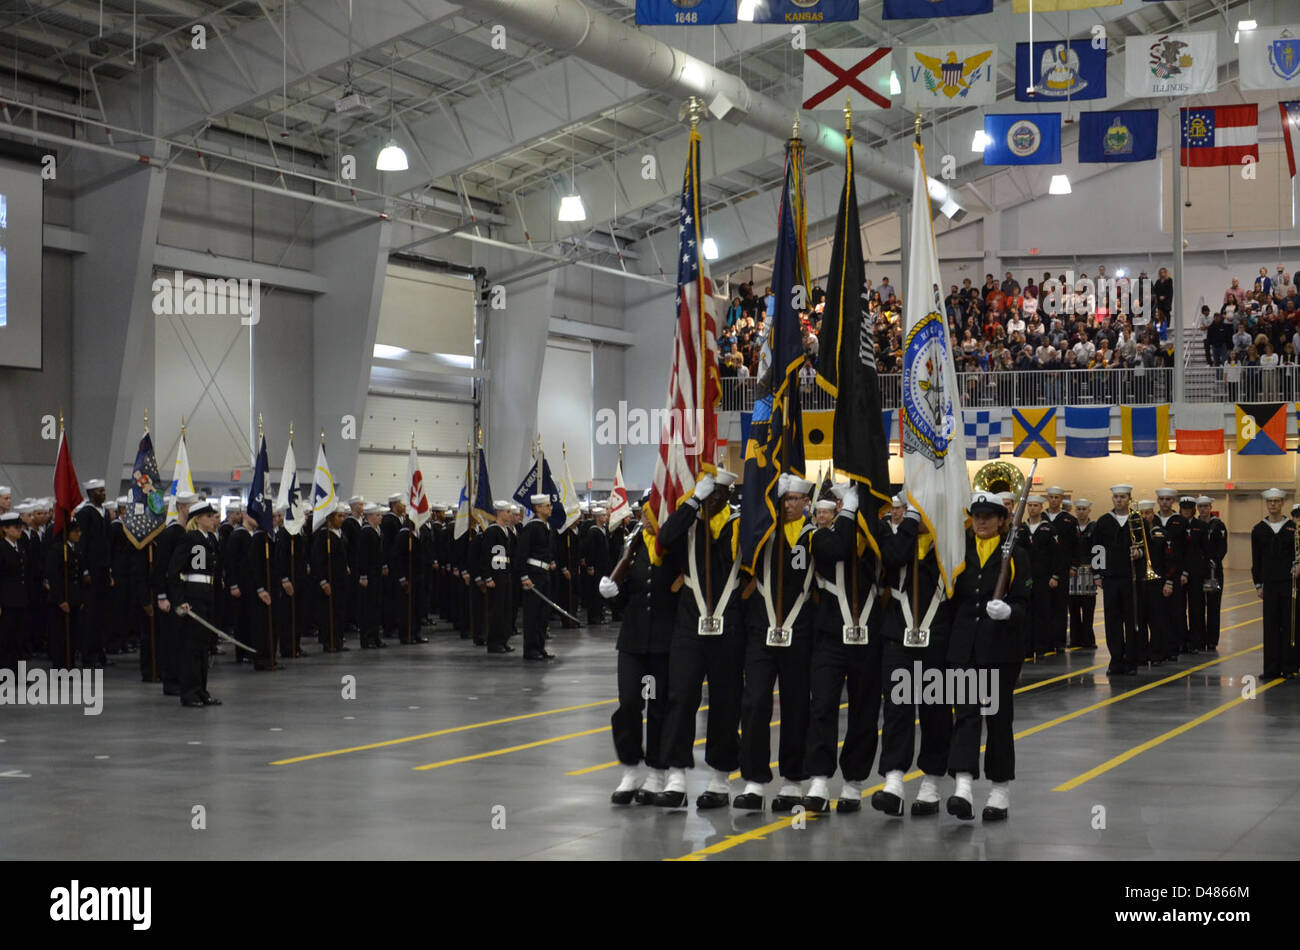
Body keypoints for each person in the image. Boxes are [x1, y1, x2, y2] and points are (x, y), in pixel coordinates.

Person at [651, 469, 745, 809]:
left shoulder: (738, 523)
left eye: (719, 492)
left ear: (728, 493)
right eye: (709, 491)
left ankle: (720, 778)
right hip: (690, 622)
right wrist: (692, 501)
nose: (713, 498)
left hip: (729, 625)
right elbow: (664, 535)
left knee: (726, 702)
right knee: (681, 697)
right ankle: (677, 775)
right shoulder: (689, 522)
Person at [937, 490, 1029, 821]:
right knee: (965, 715)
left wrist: (1009, 611)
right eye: (976, 516)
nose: (981, 522)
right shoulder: (959, 550)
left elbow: (1026, 602)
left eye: (988, 517)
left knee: (998, 719)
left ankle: (999, 791)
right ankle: (962, 786)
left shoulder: (1016, 553)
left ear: (1003, 521)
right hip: (964, 648)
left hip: (1000, 651)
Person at [733, 475, 816, 813]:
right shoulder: (763, 533)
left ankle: (793, 780)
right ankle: (753, 780)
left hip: (801, 630)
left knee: (797, 705)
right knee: (754, 704)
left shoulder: (816, 537)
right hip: (761, 629)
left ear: (806, 502)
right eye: (785, 499)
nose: (789, 504)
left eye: (796, 498)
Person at [871, 492, 951, 818]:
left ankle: (931, 783)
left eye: (915, 512)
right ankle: (893, 781)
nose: (905, 515)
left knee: (935, 712)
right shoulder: (895, 541)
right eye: (904, 510)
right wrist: (909, 526)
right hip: (898, 635)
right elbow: (892, 559)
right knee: (897, 710)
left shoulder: (949, 546)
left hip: (938, 636)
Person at [598, 500, 677, 805]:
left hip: (661, 644)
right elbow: (625, 598)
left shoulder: (674, 551)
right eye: (644, 513)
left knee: (657, 706)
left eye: (652, 513)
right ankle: (631, 768)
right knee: (629, 703)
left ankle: (658, 772)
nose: (645, 519)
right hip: (632, 643)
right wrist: (611, 595)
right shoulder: (632, 548)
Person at [166, 499, 223, 707]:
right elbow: (174, 571)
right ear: (198, 519)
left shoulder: (212, 539)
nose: (213, 520)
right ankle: (188, 692)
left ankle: (201, 690)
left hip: (208, 594)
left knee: (203, 647)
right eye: (208, 517)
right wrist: (180, 600)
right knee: (191, 647)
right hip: (193, 594)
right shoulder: (189, 538)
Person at [1093, 484, 1144, 676]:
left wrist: (1139, 552)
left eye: (1123, 497)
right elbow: (1097, 548)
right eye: (1116, 497)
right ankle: (1115, 660)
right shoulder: (1104, 521)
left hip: (1131, 579)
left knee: (1132, 620)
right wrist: (1097, 574)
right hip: (1111, 579)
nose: (1119, 500)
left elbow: (1147, 547)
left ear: (1130, 498)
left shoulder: (1137, 519)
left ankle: (1131, 661)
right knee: (1112, 620)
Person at [1250, 488, 1296, 680]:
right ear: (1266, 504)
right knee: (1270, 625)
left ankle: (1288, 667)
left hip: (1288, 583)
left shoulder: (1292, 528)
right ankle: (1271, 668)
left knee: (1289, 625)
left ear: (1283, 503)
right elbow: (1256, 558)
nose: (1273, 504)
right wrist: (1258, 584)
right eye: (1270, 502)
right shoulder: (1259, 529)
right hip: (1269, 584)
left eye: (1277, 501)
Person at [1017, 495, 1064, 657]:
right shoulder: (1021, 529)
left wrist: (1055, 576)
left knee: (1043, 613)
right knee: (1026, 612)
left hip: (1044, 578)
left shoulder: (1049, 529)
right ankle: (1027, 647)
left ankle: (1042, 646)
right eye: (1029, 505)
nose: (1032, 509)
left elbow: (1057, 555)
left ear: (1041, 508)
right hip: (1025, 578)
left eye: (1035, 505)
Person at [518, 493, 559, 660]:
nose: (550, 508)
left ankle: (540, 647)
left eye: (550, 505)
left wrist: (551, 561)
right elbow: (521, 554)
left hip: (544, 574)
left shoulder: (546, 527)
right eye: (547, 506)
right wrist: (523, 576)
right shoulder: (532, 527)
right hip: (533, 575)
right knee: (532, 613)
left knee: (543, 614)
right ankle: (530, 649)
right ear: (538, 508)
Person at [311, 504, 352, 652]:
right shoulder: (324, 536)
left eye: (343, 516)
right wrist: (323, 581)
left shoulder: (340, 533)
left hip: (341, 580)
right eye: (339, 516)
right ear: (330, 517)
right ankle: (329, 642)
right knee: (329, 613)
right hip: (329, 580)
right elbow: (318, 560)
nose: (342, 519)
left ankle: (338, 640)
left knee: (340, 612)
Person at [478, 501, 517, 654]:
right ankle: (494, 642)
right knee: (497, 610)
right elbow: (486, 555)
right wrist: (488, 577)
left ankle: (503, 639)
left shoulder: (506, 531)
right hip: (496, 575)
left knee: (506, 610)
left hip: (505, 573)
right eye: (508, 512)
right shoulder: (492, 531)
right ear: (499, 513)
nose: (510, 515)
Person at [1042, 486, 1077, 651]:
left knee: (1060, 606)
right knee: (1044, 605)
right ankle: (1045, 641)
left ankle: (1059, 641)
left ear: (1061, 499)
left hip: (1062, 567)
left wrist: (1073, 566)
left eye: (1057, 497)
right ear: (1047, 498)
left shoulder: (1069, 520)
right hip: (1043, 568)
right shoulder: (1040, 517)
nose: (1054, 500)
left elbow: (1075, 546)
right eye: (1051, 497)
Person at [1197, 496, 1227, 649]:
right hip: (1199, 572)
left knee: (1214, 607)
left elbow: (1223, 547)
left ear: (1210, 507)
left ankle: (1212, 640)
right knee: (1199, 606)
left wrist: (1215, 560)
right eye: (1200, 506)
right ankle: (1200, 639)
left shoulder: (1219, 525)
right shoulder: (1194, 525)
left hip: (1214, 573)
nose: (1203, 509)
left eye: (1205, 506)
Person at [1068, 499, 1098, 649]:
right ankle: (1074, 639)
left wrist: (1099, 572)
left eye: (1083, 509)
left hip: (1089, 572)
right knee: (1073, 609)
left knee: (1088, 609)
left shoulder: (1095, 527)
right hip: (1072, 573)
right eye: (1078, 509)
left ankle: (1088, 640)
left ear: (1089, 511)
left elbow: (1099, 549)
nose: (1081, 511)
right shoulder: (1070, 527)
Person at [0, 510, 28, 672]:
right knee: (6, 639)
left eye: (20, 527)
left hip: (19, 599)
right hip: (7, 601)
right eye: (15, 527)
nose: (19, 530)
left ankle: (17, 673)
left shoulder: (20, 547)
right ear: (5, 529)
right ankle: (5, 673)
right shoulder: (2, 548)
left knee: (18, 638)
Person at [356, 503, 386, 649]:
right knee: (368, 608)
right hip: (369, 575)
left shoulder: (376, 530)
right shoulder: (366, 532)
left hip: (376, 574)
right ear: (369, 517)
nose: (380, 517)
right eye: (378, 515)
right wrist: (363, 575)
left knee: (376, 607)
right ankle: (367, 638)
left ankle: (375, 636)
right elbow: (362, 556)